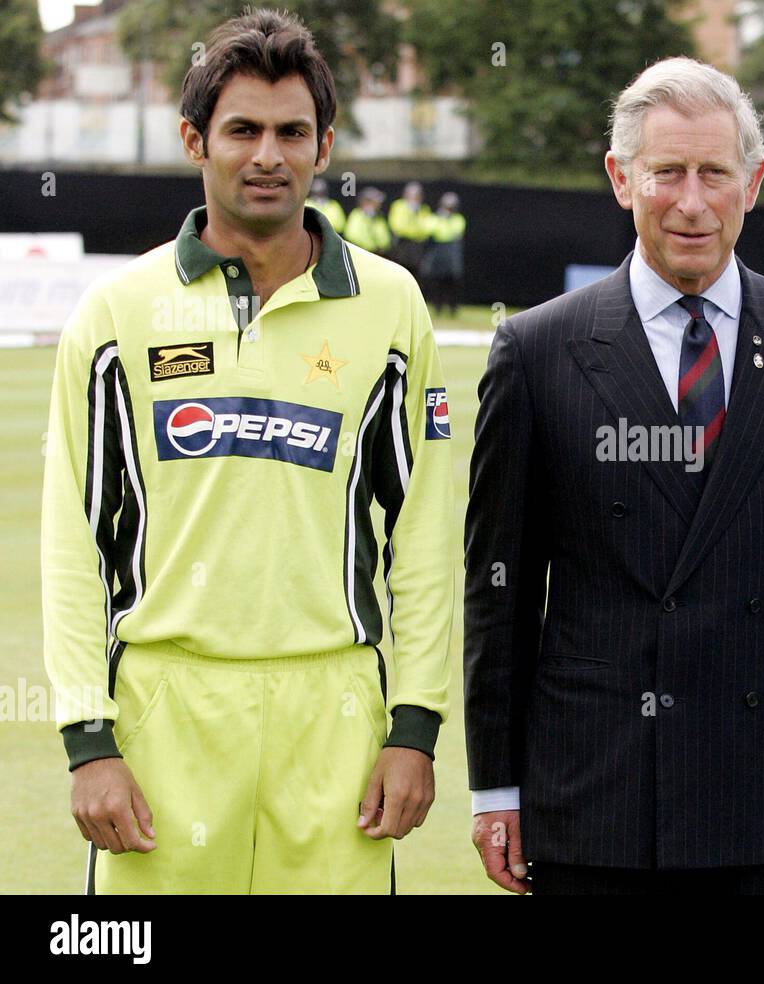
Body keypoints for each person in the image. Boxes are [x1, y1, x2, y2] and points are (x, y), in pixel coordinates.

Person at [463, 57, 764, 896]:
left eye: (715, 173)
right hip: (592, 801)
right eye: (667, 173)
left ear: (755, 180)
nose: (692, 202)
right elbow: (501, 593)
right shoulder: (538, 349)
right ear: (622, 179)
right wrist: (496, 786)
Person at [41, 8, 456, 894]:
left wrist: (413, 726)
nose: (268, 154)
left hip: (336, 717)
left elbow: (421, 531)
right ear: (196, 139)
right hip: (165, 718)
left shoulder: (391, 306)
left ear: (325, 144)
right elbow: (70, 538)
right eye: (243, 130)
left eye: (291, 132)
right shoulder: (117, 312)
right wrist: (88, 740)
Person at [422, 192, 466, 317]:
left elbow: (452, 232)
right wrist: (441, 220)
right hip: (437, 252)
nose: (448, 209)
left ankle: (453, 309)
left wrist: (445, 222)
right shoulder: (434, 218)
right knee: (437, 282)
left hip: (451, 254)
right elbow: (431, 230)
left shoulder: (458, 219)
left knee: (452, 283)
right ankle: (437, 308)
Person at [388, 181, 433, 294]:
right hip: (402, 246)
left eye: (417, 195)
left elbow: (426, 229)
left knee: (417, 275)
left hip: (417, 248)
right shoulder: (398, 206)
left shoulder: (424, 209)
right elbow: (398, 226)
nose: (414, 198)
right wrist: (413, 224)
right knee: (400, 273)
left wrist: (415, 230)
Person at [344, 186, 391, 255]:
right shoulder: (357, 214)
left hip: (377, 254)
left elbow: (385, 239)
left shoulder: (379, 217)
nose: (379, 205)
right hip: (360, 253)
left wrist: (380, 247)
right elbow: (351, 236)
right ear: (366, 201)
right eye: (375, 201)